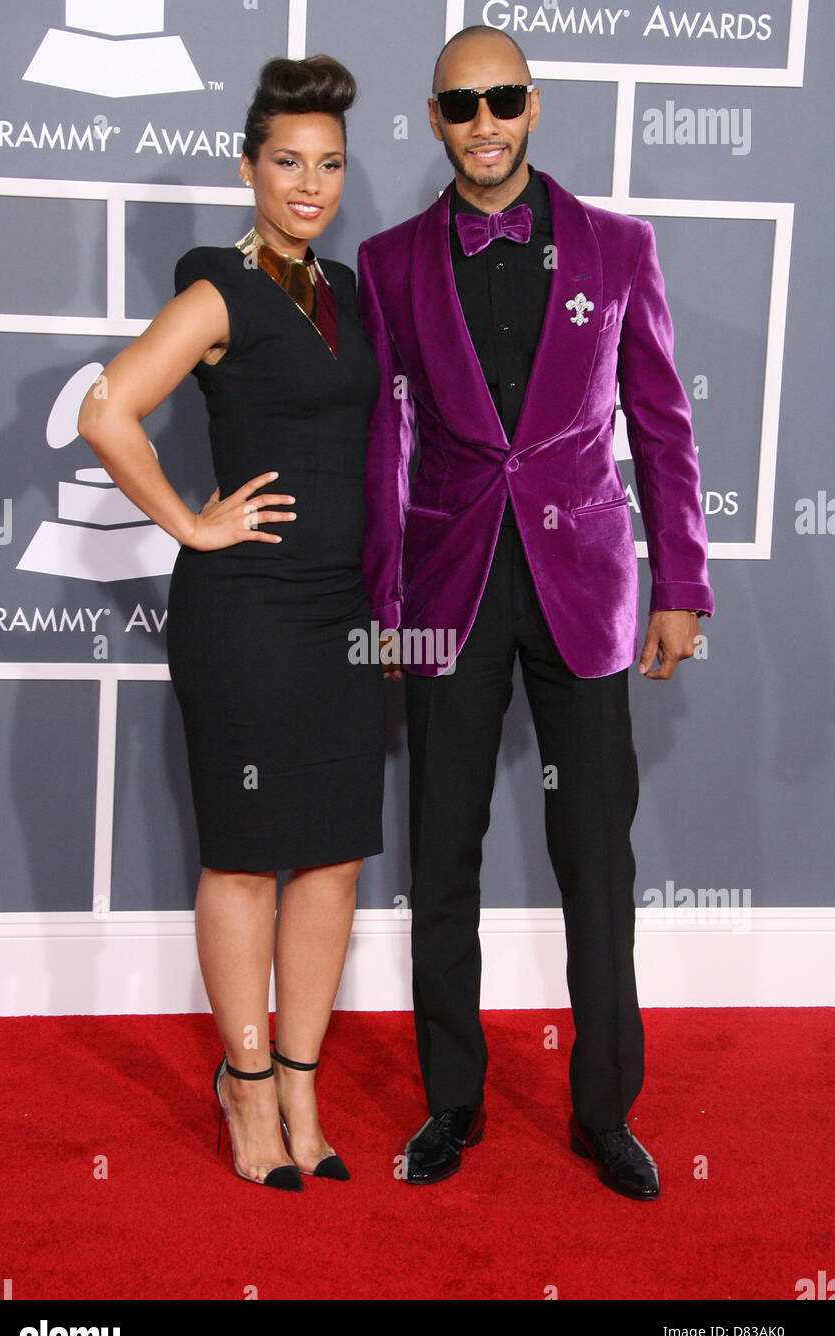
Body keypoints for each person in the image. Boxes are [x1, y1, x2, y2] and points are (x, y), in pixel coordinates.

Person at [356, 25, 715, 1198]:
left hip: (586, 588)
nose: (484, 122)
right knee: (439, 852)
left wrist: (681, 586)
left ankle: (604, 1109)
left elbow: (660, 425)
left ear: (534, 104)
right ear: (433, 119)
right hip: (449, 588)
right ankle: (449, 1102)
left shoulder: (617, 248)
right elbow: (387, 442)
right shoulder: (390, 261)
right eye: (461, 105)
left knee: (594, 860)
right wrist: (383, 607)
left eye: (502, 99)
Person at [77, 55, 387, 1191]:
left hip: (343, 613)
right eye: (287, 162)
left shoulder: (353, 292)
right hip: (246, 615)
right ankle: (245, 1085)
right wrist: (188, 525)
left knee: (335, 861)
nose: (309, 185)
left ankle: (303, 1083)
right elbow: (107, 408)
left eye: (329, 166)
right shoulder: (219, 285)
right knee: (249, 859)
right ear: (249, 166)